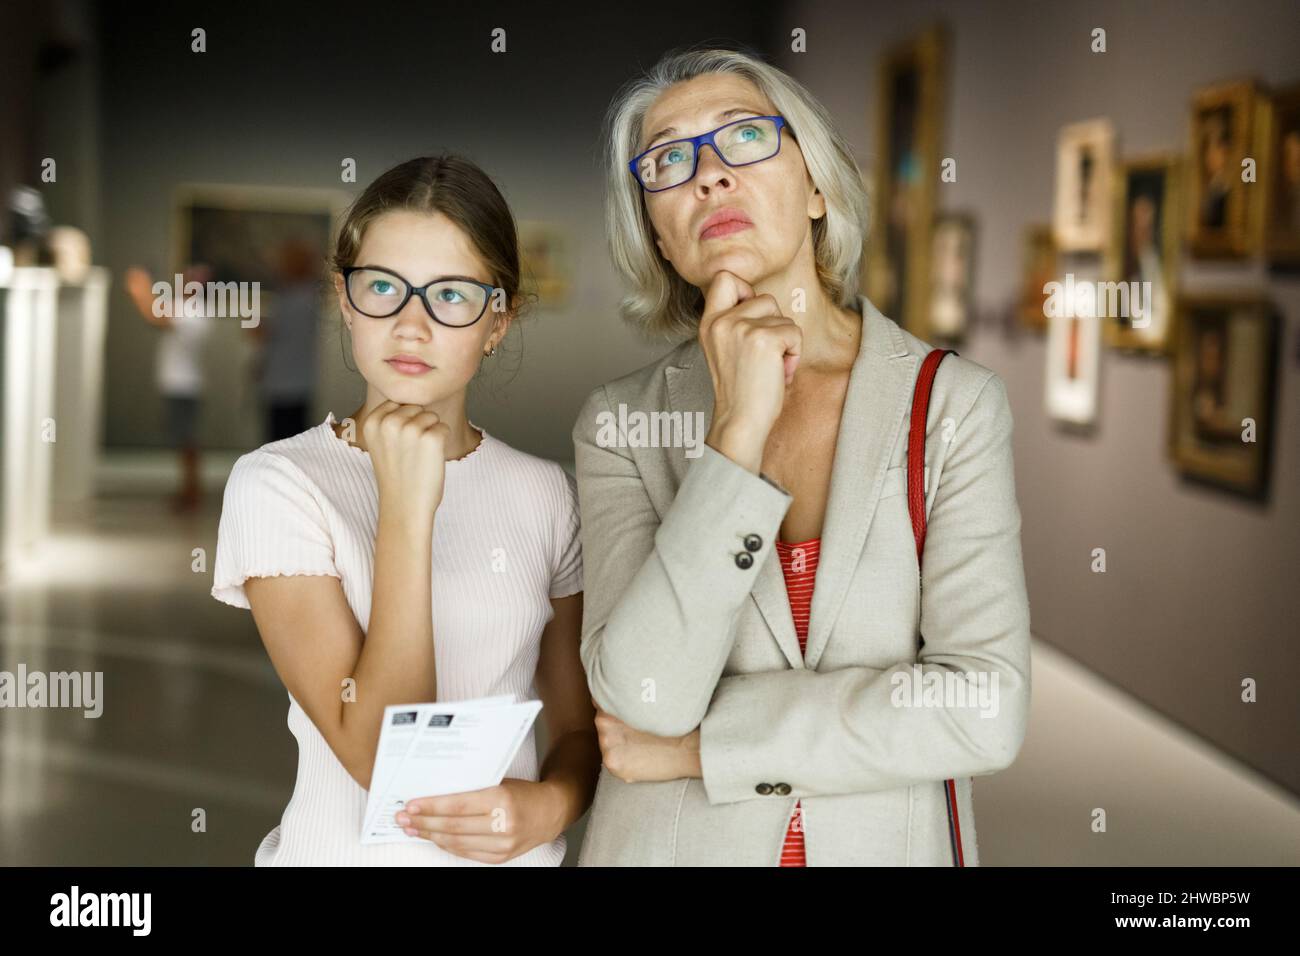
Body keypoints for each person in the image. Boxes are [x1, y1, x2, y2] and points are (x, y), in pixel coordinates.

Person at [572, 47, 1032, 866]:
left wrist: (700, 749)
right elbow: (644, 695)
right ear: (659, 235)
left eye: (744, 137)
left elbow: (981, 708)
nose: (708, 175)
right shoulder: (619, 423)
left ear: (817, 186)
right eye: (669, 160)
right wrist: (736, 437)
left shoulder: (954, 407)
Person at [210, 155, 600, 866]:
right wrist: (406, 509)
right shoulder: (279, 483)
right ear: (345, 299)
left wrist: (549, 805)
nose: (411, 325)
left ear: (498, 320)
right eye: (383, 287)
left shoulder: (547, 493)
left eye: (451, 295)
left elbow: (578, 730)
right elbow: (381, 752)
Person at [124, 261, 216, 514]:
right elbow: (158, 310)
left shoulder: (195, 312)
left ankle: (192, 492)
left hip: (185, 387)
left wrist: (140, 287)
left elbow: (156, 316)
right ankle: (189, 490)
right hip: (181, 386)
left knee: (188, 442)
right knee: (184, 441)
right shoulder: (187, 308)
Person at [252, 237, 323, 442]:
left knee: (283, 441)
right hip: (293, 381)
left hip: (286, 383)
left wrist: (260, 329)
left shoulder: (297, 297)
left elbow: (271, 334)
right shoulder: (303, 295)